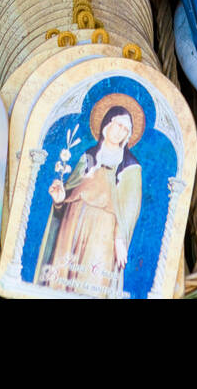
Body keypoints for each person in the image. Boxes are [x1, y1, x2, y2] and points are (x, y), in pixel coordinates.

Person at [35, 98, 143, 298]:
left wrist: (120, 238)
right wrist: (60, 199)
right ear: (106, 124)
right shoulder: (89, 156)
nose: (120, 132)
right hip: (72, 225)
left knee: (89, 285)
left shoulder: (129, 165)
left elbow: (129, 210)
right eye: (117, 125)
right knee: (60, 283)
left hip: (102, 232)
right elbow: (69, 195)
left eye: (125, 129)